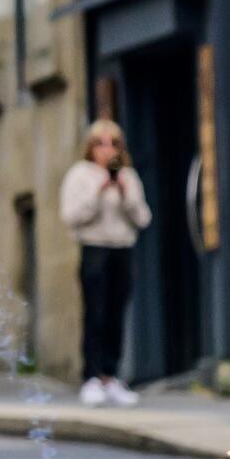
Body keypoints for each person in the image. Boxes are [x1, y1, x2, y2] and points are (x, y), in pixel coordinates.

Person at [59, 119, 152, 407]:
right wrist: (98, 192)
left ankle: (111, 376)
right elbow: (71, 216)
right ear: (90, 147)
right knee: (95, 312)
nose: (107, 149)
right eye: (100, 143)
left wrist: (124, 193)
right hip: (94, 248)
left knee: (116, 312)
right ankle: (91, 376)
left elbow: (143, 218)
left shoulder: (128, 176)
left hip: (122, 247)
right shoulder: (80, 175)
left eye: (113, 143)